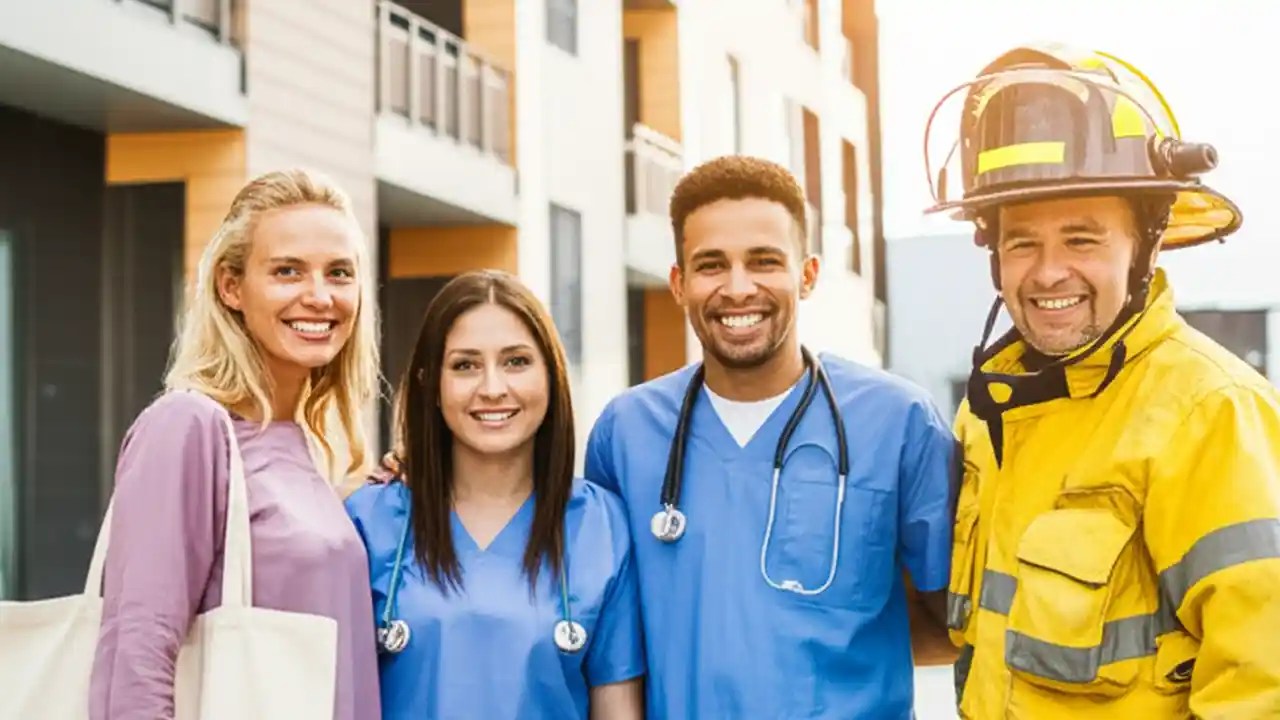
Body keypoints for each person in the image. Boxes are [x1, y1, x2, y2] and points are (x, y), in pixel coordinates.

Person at [922, 43, 1280, 717]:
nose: (1049, 271)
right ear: (993, 254)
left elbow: (1263, 683)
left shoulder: (1209, 411)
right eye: (1022, 240)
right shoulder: (989, 413)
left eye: (1082, 239)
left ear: (1143, 245)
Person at [583, 155, 956, 718]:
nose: (738, 288)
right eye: (711, 265)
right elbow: (607, 629)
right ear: (680, 283)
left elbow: (951, 623)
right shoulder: (625, 433)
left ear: (806, 275)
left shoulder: (898, 421)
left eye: (764, 261)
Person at [89, 169, 383, 719]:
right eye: (288, 271)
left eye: (339, 273)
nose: (319, 296)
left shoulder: (307, 448)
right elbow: (136, 658)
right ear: (231, 287)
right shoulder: (187, 426)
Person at [346, 270, 645, 720]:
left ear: (550, 374)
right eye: (465, 365)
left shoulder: (601, 528)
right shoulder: (370, 521)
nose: (492, 388)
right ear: (431, 382)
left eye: (516, 361)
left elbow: (617, 707)